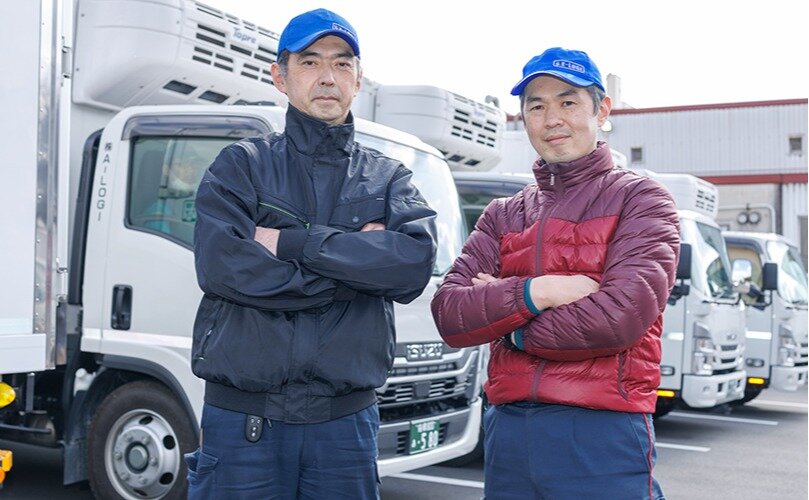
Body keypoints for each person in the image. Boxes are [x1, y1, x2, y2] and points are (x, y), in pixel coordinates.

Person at [186, 8, 437, 499]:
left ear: (358, 80)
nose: (327, 77)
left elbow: (411, 265)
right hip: (244, 421)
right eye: (310, 62)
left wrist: (291, 244)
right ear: (279, 77)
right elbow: (224, 267)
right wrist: (355, 271)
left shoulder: (388, 178)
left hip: (344, 427)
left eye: (342, 63)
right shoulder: (242, 166)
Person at [431, 47, 680, 499]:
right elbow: (450, 314)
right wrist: (538, 292)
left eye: (568, 102)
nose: (552, 119)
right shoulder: (504, 213)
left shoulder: (641, 199)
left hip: (602, 430)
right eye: (537, 106)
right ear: (523, 118)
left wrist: (507, 327)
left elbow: (617, 319)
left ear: (601, 110)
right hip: (507, 432)